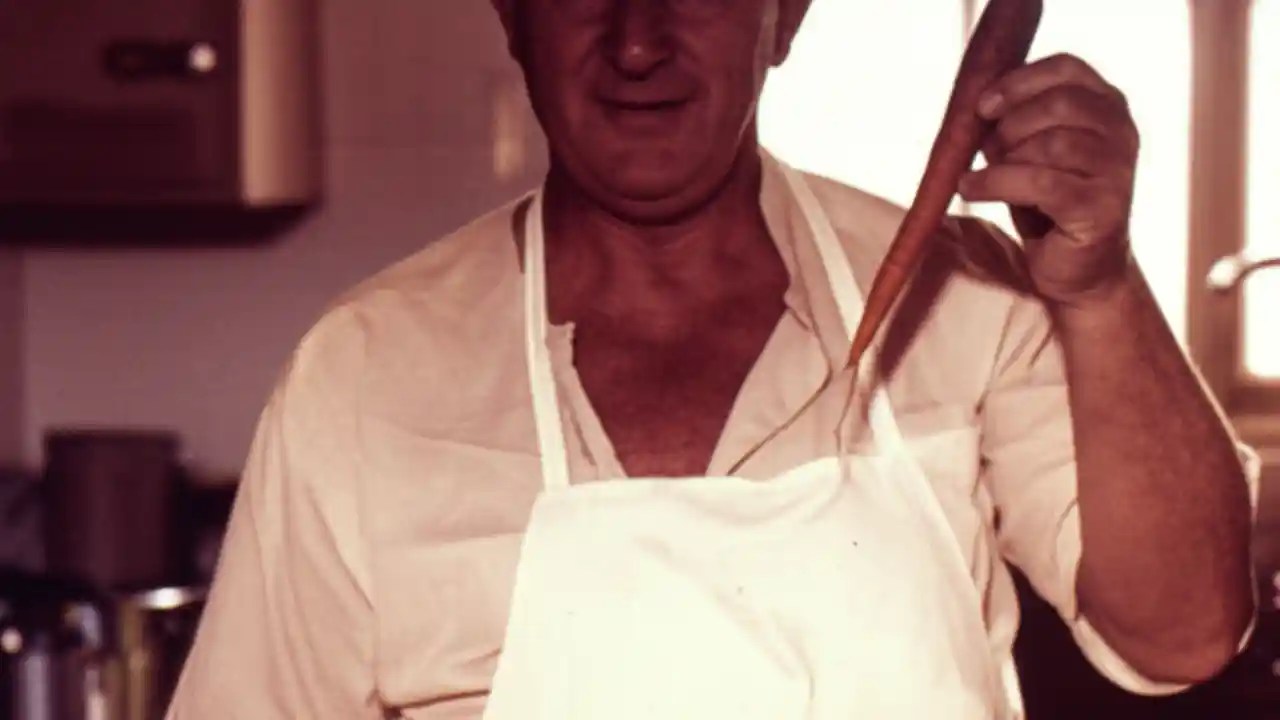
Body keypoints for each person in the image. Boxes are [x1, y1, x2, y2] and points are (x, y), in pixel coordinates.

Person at [167, 0, 1260, 718]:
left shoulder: (965, 295)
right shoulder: (361, 374)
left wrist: (1101, 283)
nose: (636, 41)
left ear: (782, 15)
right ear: (508, 14)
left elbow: (1184, 634)